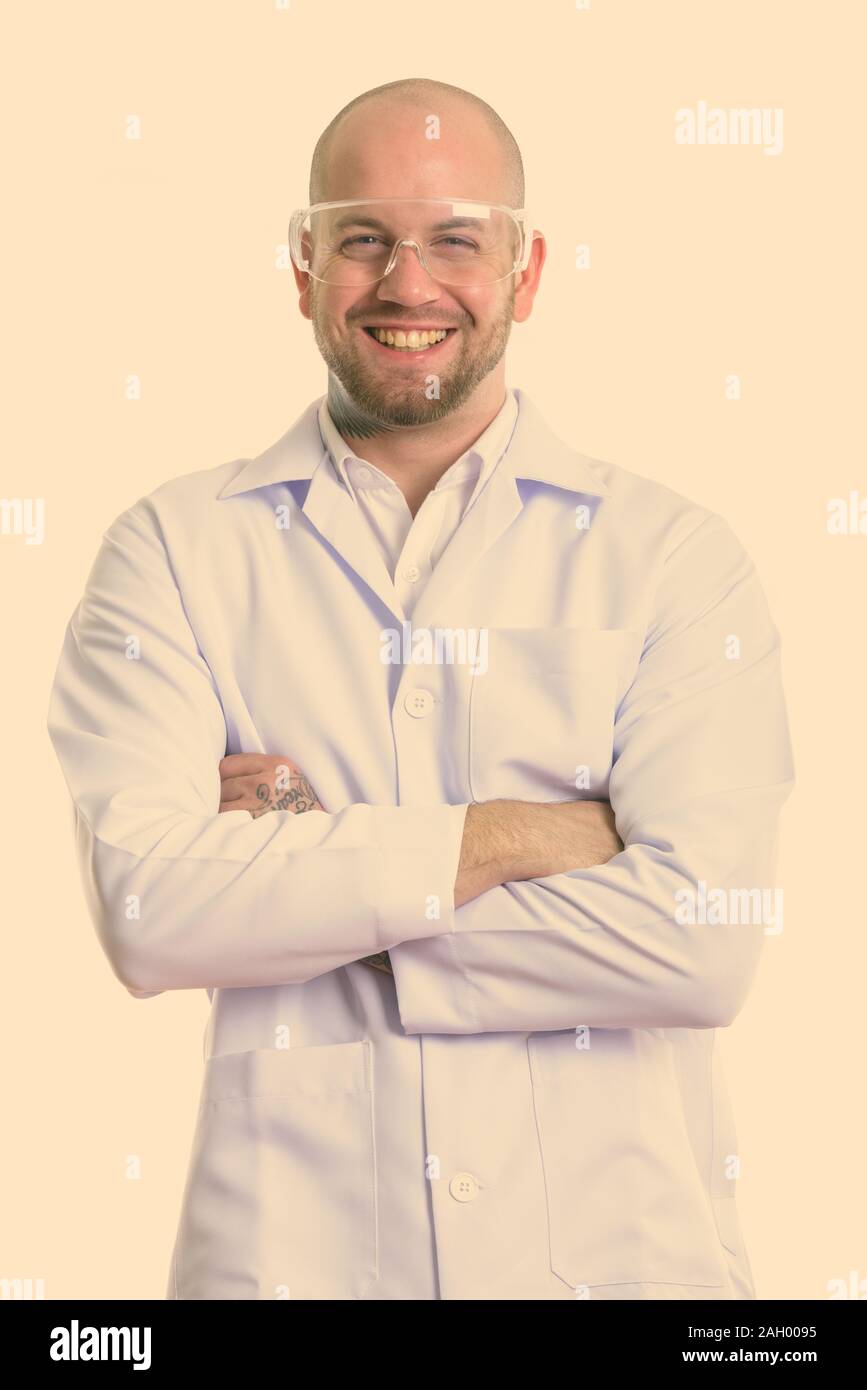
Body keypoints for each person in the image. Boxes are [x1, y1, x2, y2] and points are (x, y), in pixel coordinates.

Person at [46, 76, 795, 1300]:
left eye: (456, 238)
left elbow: (703, 943)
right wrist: (516, 834)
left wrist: (314, 888)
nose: (409, 283)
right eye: (363, 239)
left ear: (527, 270)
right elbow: (148, 908)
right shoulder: (173, 551)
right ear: (300, 265)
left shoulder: (671, 556)